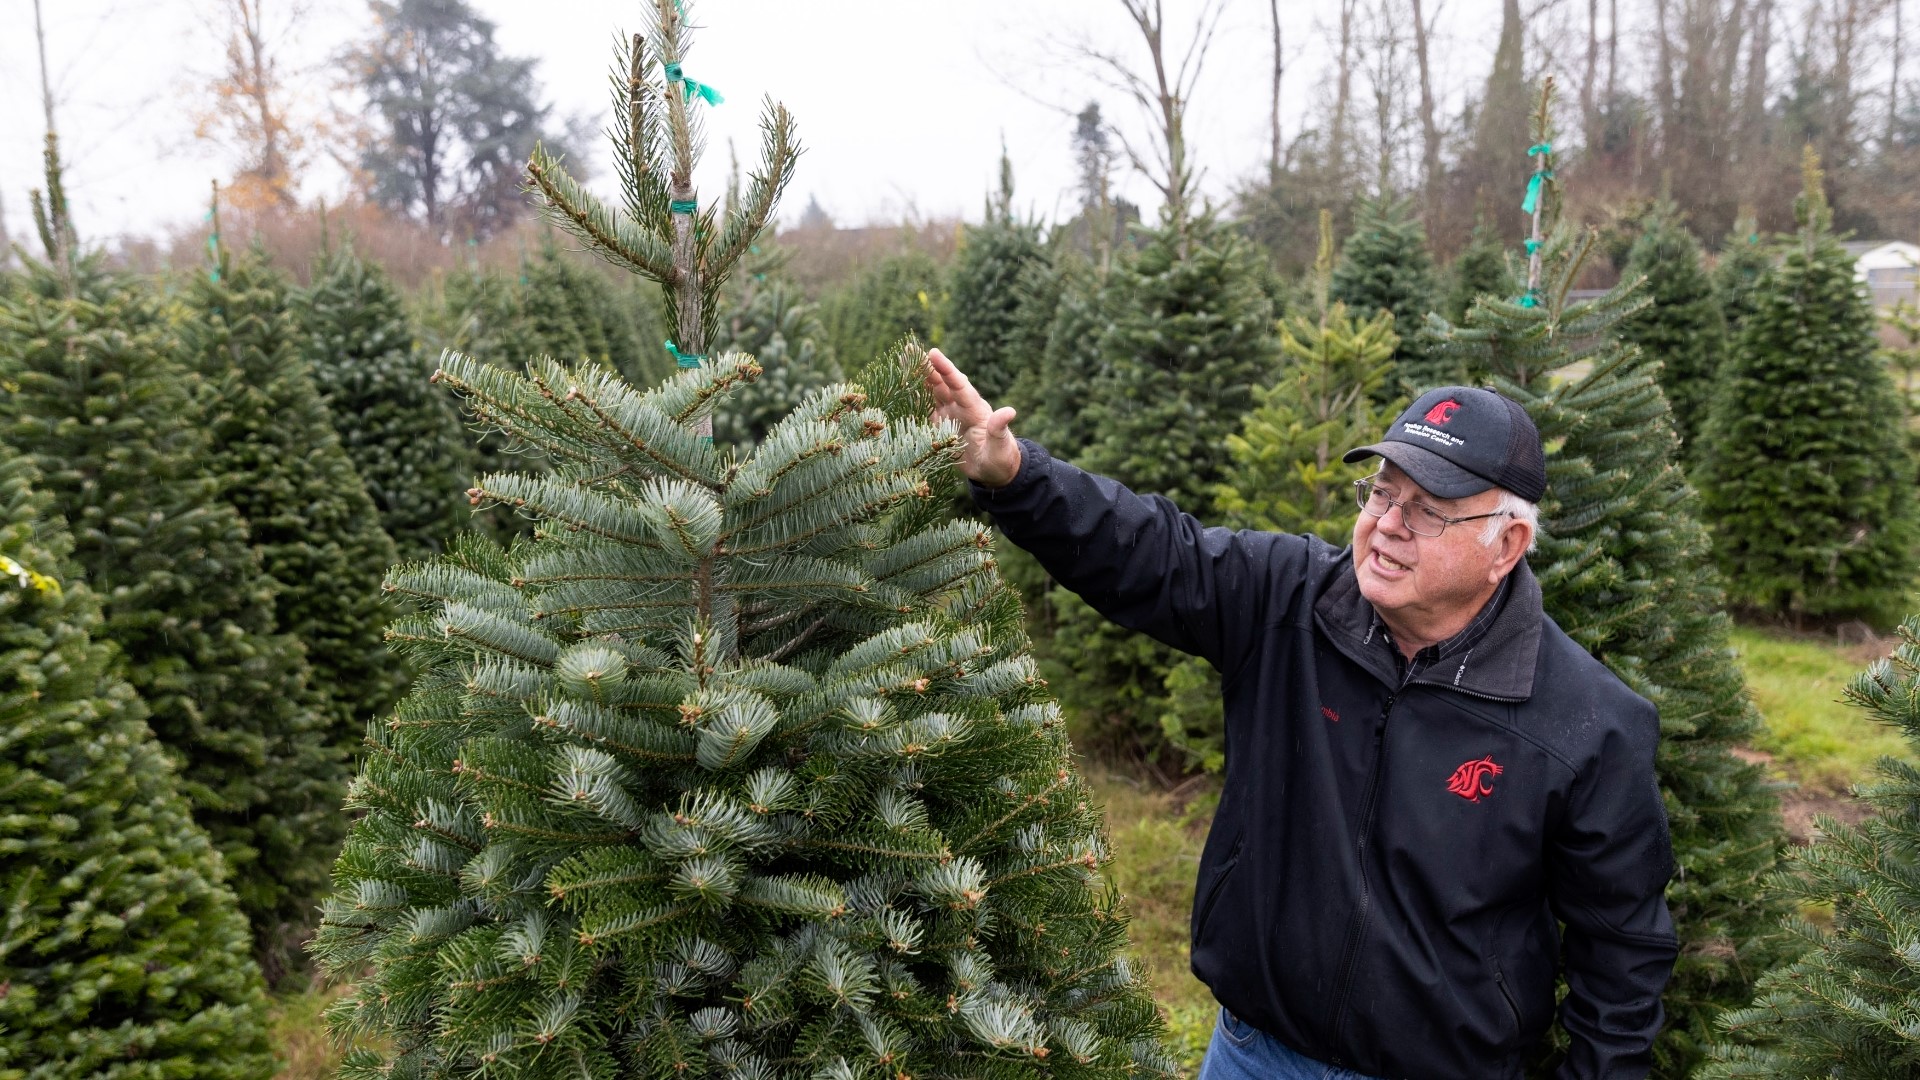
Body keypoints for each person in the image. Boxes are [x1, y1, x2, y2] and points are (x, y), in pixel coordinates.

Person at [924, 348, 1678, 1080]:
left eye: (1427, 511)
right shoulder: (1290, 601)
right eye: (1382, 493)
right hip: (1252, 1054)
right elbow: (1151, 550)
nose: (1386, 523)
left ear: (1506, 544)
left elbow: (1621, 954)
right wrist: (1016, 475)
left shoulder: (1587, 724)